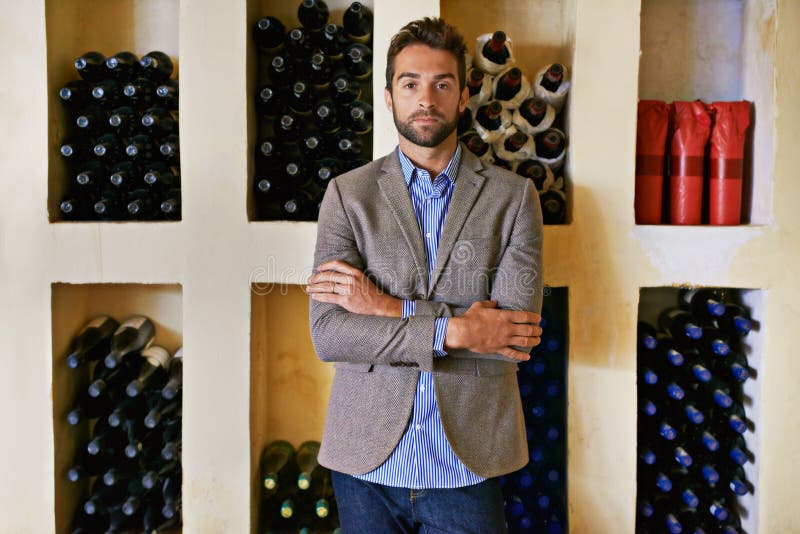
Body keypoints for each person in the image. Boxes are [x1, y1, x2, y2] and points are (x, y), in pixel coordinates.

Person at [306, 17, 543, 533]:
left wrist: (387, 307)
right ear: (389, 97)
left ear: (463, 96)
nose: (426, 98)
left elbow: (514, 335)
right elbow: (330, 333)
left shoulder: (513, 197)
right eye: (410, 83)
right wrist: (456, 329)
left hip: (468, 461)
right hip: (365, 457)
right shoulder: (348, 195)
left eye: (442, 83)